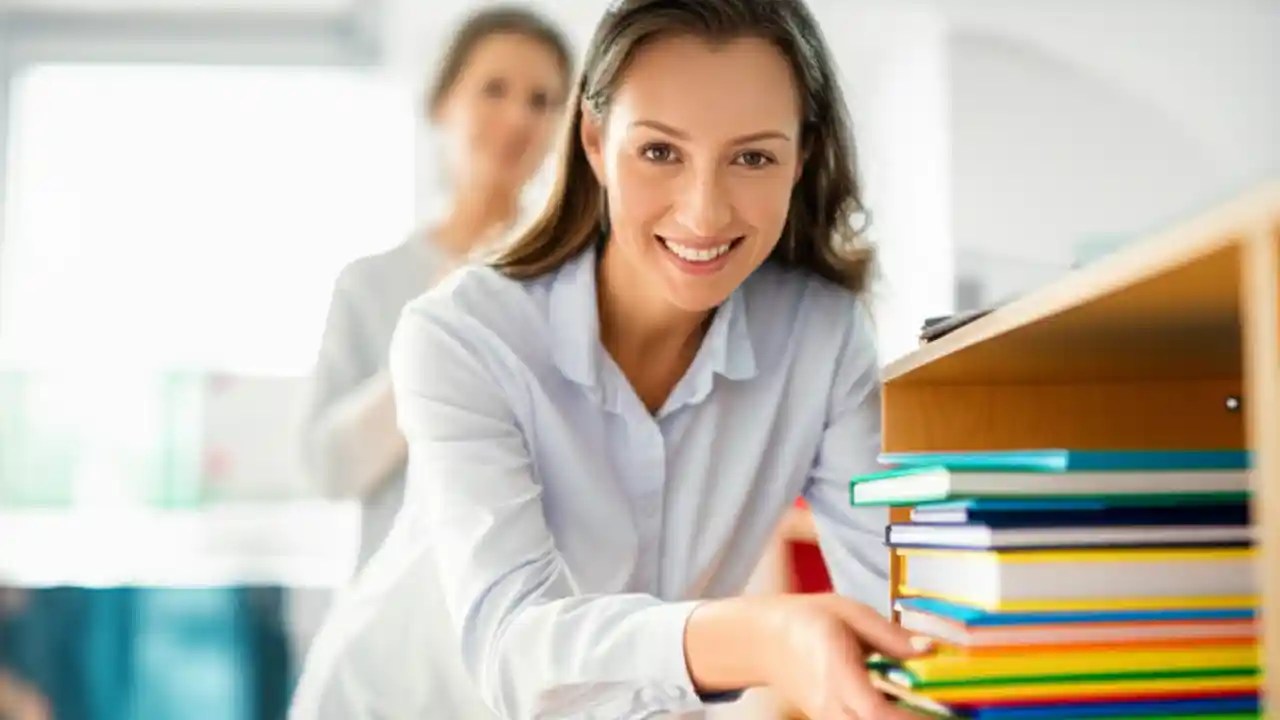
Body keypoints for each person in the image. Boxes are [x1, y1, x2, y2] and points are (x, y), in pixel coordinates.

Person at [294, 0, 937, 718]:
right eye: (660, 152)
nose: (704, 212)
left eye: (752, 157)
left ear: (803, 157)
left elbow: (898, 603)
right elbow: (516, 652)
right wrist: (766, 637)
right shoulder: (463, 332)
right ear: (596, 142)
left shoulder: (822, 338)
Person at [303, 6, 573, 567]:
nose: (519, 118)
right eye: (494, 89)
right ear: (441, 104)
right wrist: (438, 336)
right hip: (396, 617)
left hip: (527, 608)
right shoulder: (369, 284)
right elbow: (327, 469)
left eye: (542, 101)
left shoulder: (573, 282)